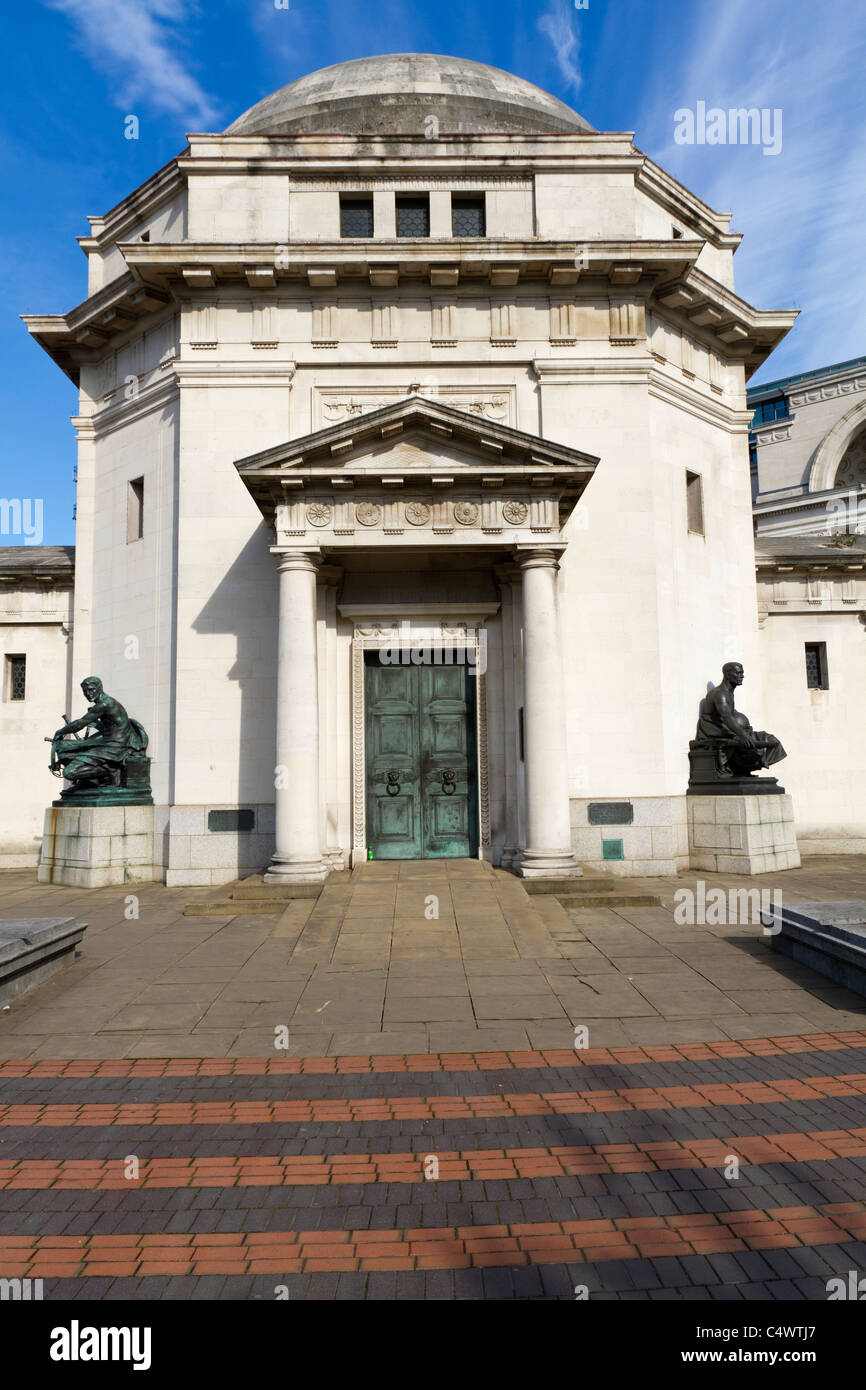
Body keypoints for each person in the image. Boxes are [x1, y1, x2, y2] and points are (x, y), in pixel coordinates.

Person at [695, 662, 786, 778]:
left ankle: (750, 765)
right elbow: (726, 716)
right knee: (749, 742)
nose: (741, 676)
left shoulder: (729, 693)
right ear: (727, 675)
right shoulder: (719, 694)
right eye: (738, 673)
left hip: (730, 728)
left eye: (742, 673)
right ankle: (744, 765)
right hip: (715, 730)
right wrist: (743, 735)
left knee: (770, 739)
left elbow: (731, 714)